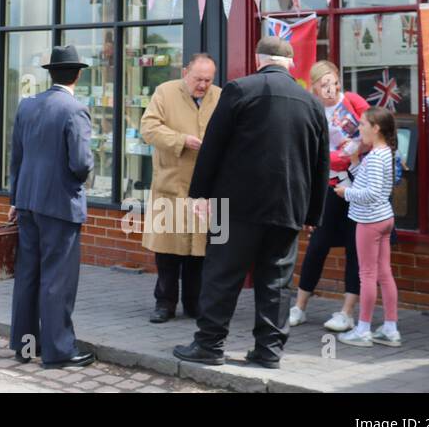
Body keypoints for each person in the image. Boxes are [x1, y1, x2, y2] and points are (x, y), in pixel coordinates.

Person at [174, 36, 329, 369]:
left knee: (221, 274)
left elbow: (213, 145)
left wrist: (199, 195)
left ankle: (209, 345)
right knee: (276, 281)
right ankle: (268, 351)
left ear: (259, 60)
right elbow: (321, 163)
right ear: (291, 65)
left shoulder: (239, 90)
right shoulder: (312, 103)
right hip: (288, 206)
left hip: (235, 206)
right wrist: (314, 212)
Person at [6, 44, 94, 370]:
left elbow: (17, 158)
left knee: (28, 275)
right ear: (78, 74)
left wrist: (15, 199)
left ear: (51, 73)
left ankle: (26, 345)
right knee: (58, 278)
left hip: (28, 201)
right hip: (59, 204)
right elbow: (82, 163)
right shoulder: (74, 110)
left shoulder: (27, 106)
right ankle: (59, 350)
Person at [138, 53, 221, 323]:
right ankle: (165, 303)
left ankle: (194, 303)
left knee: (201, 251)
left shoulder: (220, 96)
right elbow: (148, 129)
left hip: (207, 188)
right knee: (168, 252)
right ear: (186, 72)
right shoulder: (165, 92)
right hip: (171, 185)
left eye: (208, 80)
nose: (203, 85)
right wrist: (180, 139)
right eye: (198, 79)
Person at [290, 61, 369, 333]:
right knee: (318, 244)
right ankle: (299, 306)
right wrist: (329, 158)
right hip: (329, 185)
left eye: (332, 81)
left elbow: (375, 132)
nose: (329, 88)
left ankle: (347, 311)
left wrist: (356, 148)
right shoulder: (312, 109)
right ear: (313, 87)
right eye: (322, 84)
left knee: (355, 246)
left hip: (359, 183)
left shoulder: (353, 101)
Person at [335, 107, 402, 347]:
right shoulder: (385, 153)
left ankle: (363, 329)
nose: (359, 128)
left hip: (369, 221)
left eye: (363, 124)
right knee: (384, 274)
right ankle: (390, 328)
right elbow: (370, 181)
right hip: (385, 218)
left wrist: (346, 193)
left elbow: (371, 192)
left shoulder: (374, 156)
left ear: (376, 128)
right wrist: (354, 162)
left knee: (367, 275)